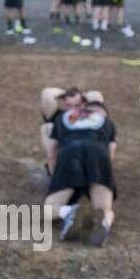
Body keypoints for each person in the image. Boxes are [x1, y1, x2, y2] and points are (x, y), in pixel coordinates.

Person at [44, 97, 117, 246]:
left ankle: (68, 212)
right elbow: (110, 156)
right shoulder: (108, 123)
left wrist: (55, 178)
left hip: (70, 151)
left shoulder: (63, 117)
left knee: (49, 209)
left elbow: (51, 153)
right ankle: (105, 221)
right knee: (104, 208)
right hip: (99, 152)